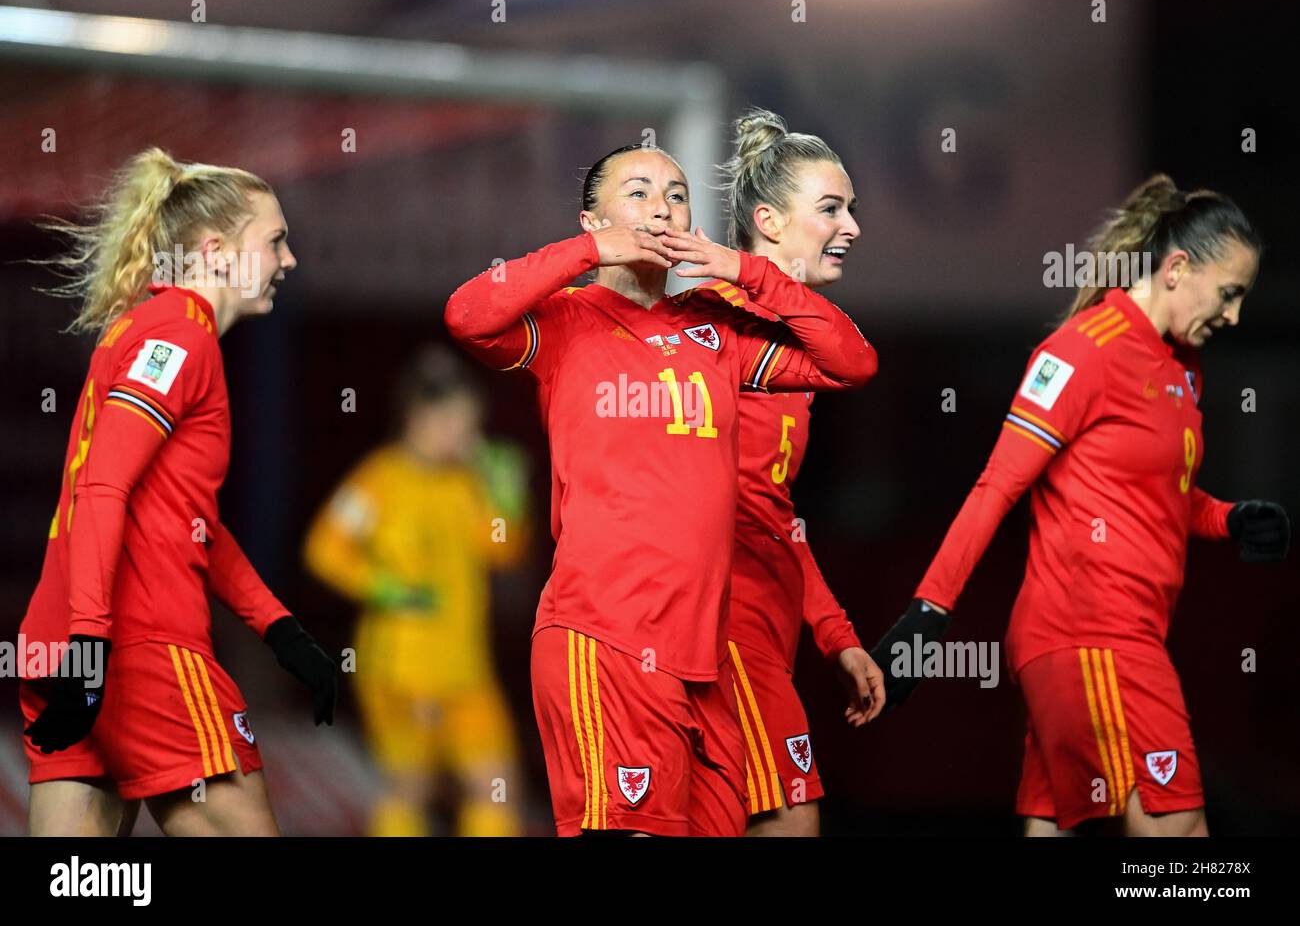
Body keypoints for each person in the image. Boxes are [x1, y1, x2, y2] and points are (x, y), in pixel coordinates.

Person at [444, 142, 876, 836]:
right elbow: (466, 315)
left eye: (675, 193)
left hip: (698, 659)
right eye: (639, 192)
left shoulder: (714, 329)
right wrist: (586, 252)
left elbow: (852, 363)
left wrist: (748, 270)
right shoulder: (566, 322)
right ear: (593, 219)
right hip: (603, 639)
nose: (662, 205)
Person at [871, 174, 1289, 836]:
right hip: (1093, 634)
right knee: (1176, 834)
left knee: (1053, 829)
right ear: (1178, 268)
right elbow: (997, 486)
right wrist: (926, 616)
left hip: (1115, 638)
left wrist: (1226, 517)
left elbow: (1159, 499)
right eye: (1230, 294)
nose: (1235, 316)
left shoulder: (1184, 371)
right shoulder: (1082, 352)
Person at [19, 148, 337, 836]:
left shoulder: (139, 329)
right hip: (136, 643)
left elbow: (186, 520)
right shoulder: (179, 338)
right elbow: (103, 487)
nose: (289, 262)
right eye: (275, 241)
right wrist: (95, 644)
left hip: (64, 636)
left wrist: (280, 630)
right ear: (217, 250)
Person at [680, 109, 885, 836]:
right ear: (767, 220)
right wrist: (749, 274)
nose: (853, 225)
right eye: (832, 208)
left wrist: (835, 633)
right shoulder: (709, 325)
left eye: (852, 207)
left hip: (768, 623)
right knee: (793, 820)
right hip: (719, 617)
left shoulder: (790, 346)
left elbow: (775, 512)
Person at [303, 345, 529, 837]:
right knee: (409, 788)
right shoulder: (380, 480)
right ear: (420, 416)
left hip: (467, 666)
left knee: (496, 785)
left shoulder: (465, 484)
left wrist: (503, 491)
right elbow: (324, 550)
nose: (467, 436)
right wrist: (386, 588)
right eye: (457, 422)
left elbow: (505, 553)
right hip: (402, 666)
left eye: (472, 424)